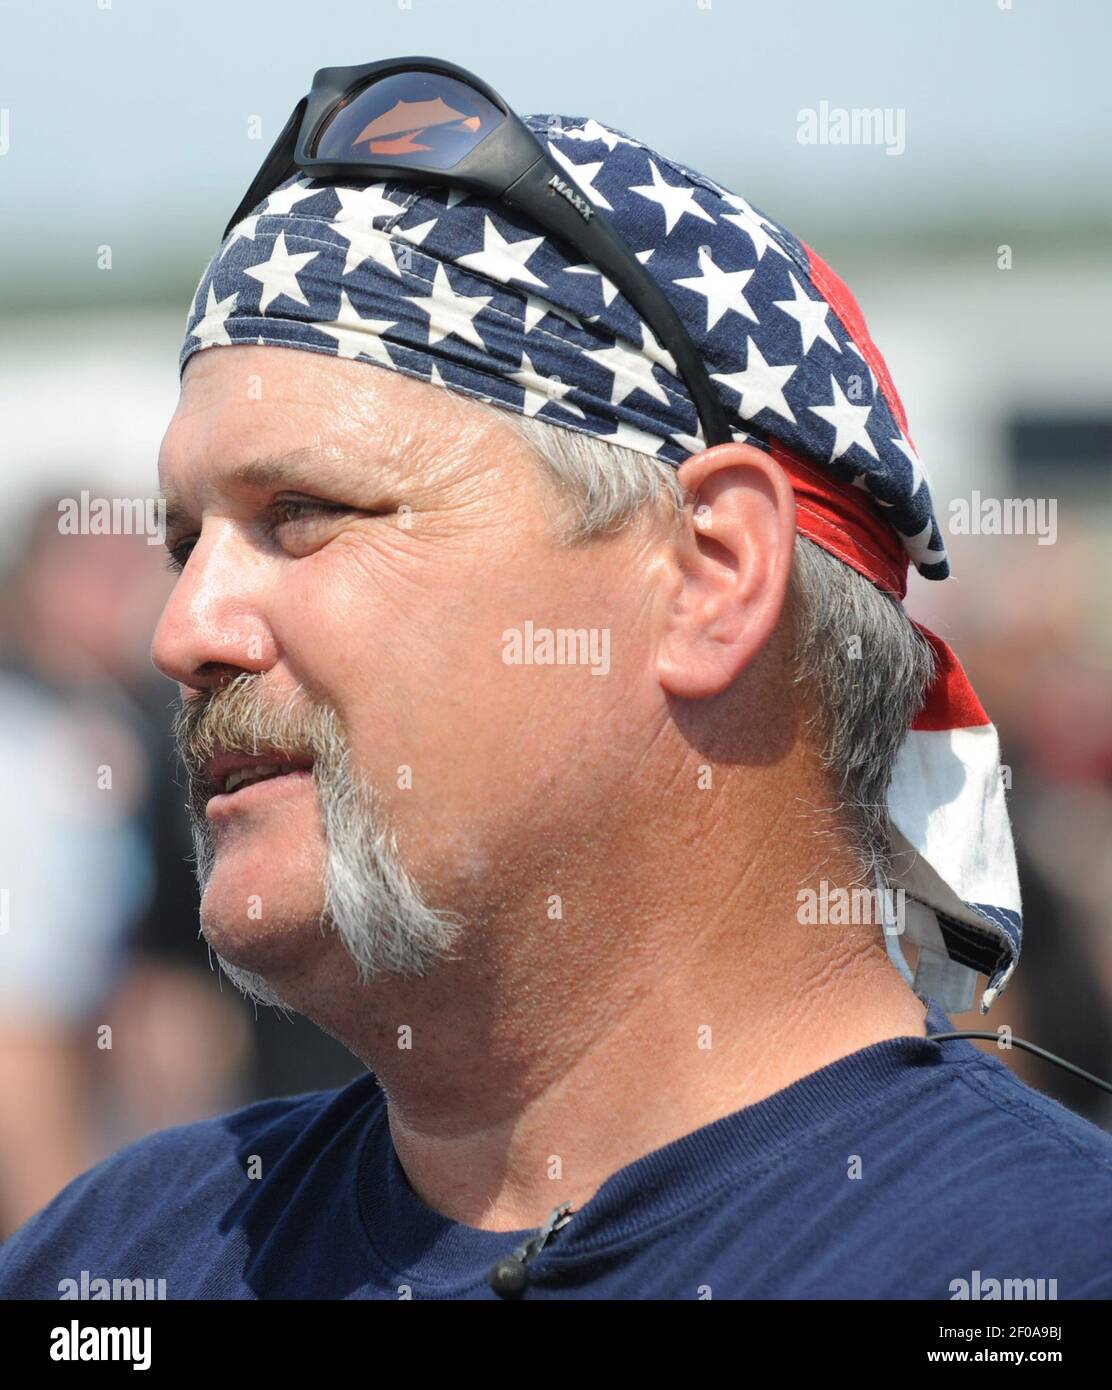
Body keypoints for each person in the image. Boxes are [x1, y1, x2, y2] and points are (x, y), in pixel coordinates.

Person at [2, 59, 1109, 1301]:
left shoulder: (1031, 1271)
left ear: (707, 577)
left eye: (301, 513)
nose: (184, 628)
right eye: (180, 544)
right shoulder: (118, 1263)